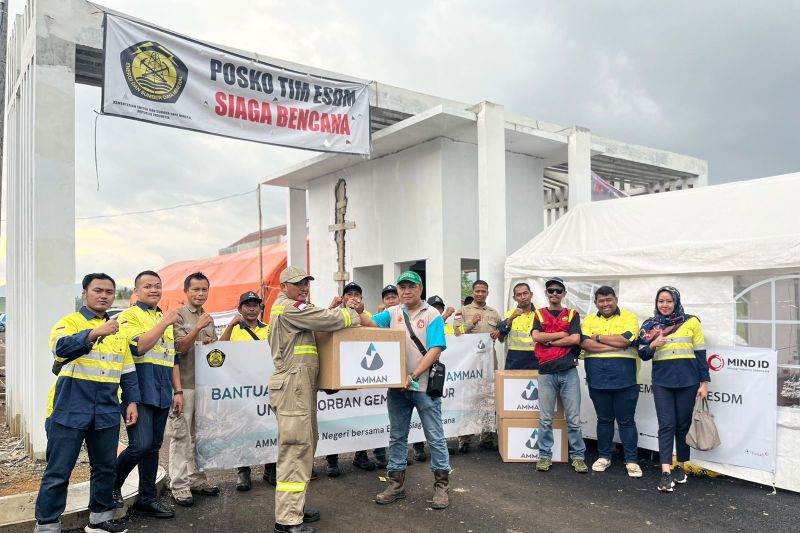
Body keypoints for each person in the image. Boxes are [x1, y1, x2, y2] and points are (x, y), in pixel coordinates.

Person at [34, 273, 140, 533]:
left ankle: (99, 520)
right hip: (69, 407)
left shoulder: (119, 331)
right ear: (85, 293)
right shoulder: (69, 322)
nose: (104, 296)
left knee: (105, 468)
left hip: (105, 409)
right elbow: (61, 349)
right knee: (59, 470)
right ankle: (47, 525)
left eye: (109, 292)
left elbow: (127, 371)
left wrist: (132, 401)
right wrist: (93, 333)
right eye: (98, 290)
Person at [269, 266, 362, 533]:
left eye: (306, 283)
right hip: (293, 386)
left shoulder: (294, 310)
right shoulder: (289, 308)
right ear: (283, 285)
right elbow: (329, 320)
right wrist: (350, 311)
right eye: (298, 283)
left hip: (299, 385)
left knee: (305, 445)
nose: (304, 287)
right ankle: (287, 519)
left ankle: (294, 507)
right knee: (296, 449)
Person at [359, 271, 451, 509]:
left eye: (411, 287)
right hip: (397, 386)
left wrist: (413, 375)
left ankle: (441, 488)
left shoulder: (432, 314)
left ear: (420, 288)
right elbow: (369, 323)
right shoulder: (392, 312)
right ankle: (396, 485)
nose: (406, 291)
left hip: (421, 386)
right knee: (397, 435)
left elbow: (435, 350)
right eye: (402, 287)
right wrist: (360, 310)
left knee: (435, 436)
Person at [114, 270, 179, 519]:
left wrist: (178, 391)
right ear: (136, 291)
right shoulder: (129, 315)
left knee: (153, 447)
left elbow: (171, 358)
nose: (154, 290)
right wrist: (164, 324)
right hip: (139, 391)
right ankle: (111, 485)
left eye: (158, 286)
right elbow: (139, 347)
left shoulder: (162, 316)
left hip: (162, 391)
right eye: (148, 286)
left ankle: (147, 498)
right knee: (139, 445)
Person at [638, 286, 709, 492]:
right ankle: (666, 472)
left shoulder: (692, 321)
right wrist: (653, 345)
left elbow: (701, 355)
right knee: (666, 425)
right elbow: (642, 353)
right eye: (661, 301)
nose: (665, 305)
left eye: (669, 301)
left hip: (688, 382)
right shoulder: (650, 325)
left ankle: (680, 467)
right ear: (656, 303)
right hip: (662, 382)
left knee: (683, 426)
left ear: (676, 302)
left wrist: (704, 383)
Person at [168, 272, 219, 506]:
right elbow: (180, 349)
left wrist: (210, 342)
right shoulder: (177, 316)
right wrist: (198, 328)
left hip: (204, 386)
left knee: (200, 436)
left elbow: (214, 353)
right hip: (183, 385)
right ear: (186, 291)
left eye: (204, 290)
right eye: (195, 289)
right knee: (181, 436)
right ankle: (179, 485)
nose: (200, 294)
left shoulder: (208, 317)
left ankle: (197, 480)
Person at [579, 286, 642, 477]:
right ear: (596, 302)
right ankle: (604, 456)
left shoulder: (629, 317)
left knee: (626, 420)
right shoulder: (588, 320)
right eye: (601, 301)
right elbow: (584, 343)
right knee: (604, 419)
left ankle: (631, 460)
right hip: (598, 377)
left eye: (609, 300)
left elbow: (627, 339)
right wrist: (612, 344)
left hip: (626, 377)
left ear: (616, 299)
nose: (605, 304)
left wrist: (598, 338)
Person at [219, 290, 274, 491]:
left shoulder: (268, 329)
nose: (251, 309)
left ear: (260, 308)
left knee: (268, 427)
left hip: (265, 387)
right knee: (243, 429)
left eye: (255, 305)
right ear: (239, 308)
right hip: (241, 389)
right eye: (247, 305)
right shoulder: (233, 330)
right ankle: (244, 473)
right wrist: (231, 325)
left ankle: (271, 469)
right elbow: (218, 351)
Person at [531, 277, 587, 473]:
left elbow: (575, 338)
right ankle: (544, 456)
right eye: (551, 290)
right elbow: (536, 336)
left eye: (558, 291)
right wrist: (560, 335)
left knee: (573, 418)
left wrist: (550, 341)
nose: (554, 294)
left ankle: (578, 456)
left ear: (563, 294)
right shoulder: (539, 313)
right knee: (545, 418)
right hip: (546, 372)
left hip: (568, 371)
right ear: (546, 293)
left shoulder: (572, 314)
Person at [325, 282, 380, 476]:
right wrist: (333, 307)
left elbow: (376, 331)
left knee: (360, 415)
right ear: (342, 298)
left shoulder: (368, 315)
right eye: (349, 294)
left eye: (357, 294)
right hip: (337, 372)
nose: (353, 297)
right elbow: (320, 329)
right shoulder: (333, 313)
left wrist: (360, 313)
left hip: (360, 373)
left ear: (362, 299)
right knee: (335, 417)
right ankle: (332, 459)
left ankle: (361, 454)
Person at [453, 279, 501, 452]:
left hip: (488, 361)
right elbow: (456, 333)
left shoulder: (494, 313)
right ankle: (464, 439)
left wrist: (499, 332)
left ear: (488, 292)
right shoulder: (463, 311)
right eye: (477, 291)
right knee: (467, 399)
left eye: (483, 291)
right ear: (473, 292)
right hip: (469, 363)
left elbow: (501, 336)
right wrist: (471, 322)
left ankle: (487, 437)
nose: (480, 294)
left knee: (488, 397)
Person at [498, 282, 537, 369]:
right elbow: (500, 339)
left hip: (536, 359)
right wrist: (511, 318)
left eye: (525, 293)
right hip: (515, 360)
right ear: (514, 298)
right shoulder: (509, 314)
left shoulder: (540, 314)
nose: (522, 297)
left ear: (531, 294)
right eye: (519, 295)